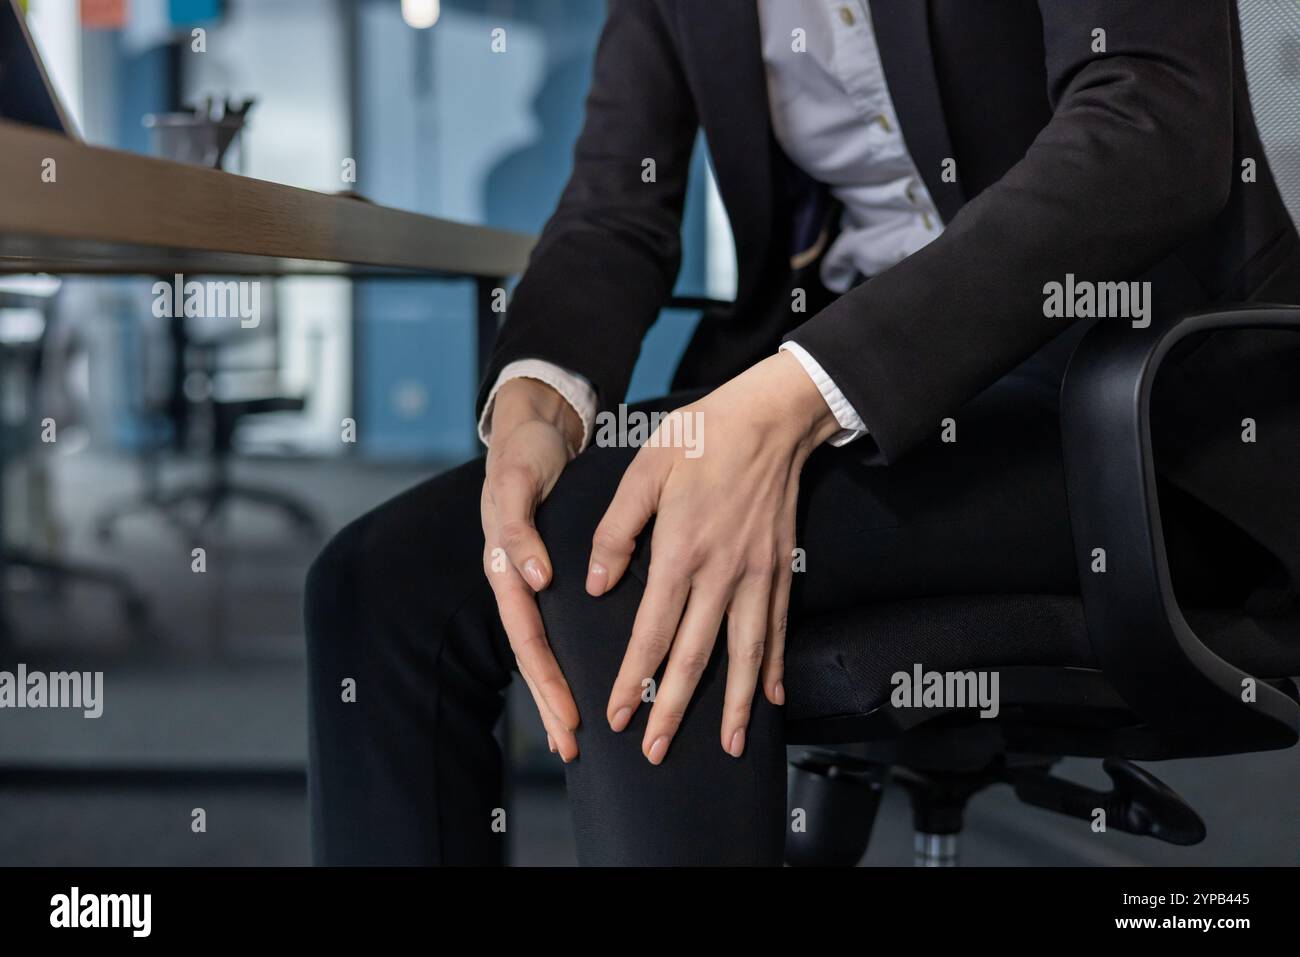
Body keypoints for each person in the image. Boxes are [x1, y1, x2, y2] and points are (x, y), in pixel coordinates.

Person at [305, 0, 1300, 865]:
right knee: (382, 580)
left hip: (1128, 408)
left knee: (631, 536)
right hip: (827, 387)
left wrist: (801, 395)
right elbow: (616, 206)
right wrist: (536, 401)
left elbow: (1153, 122)